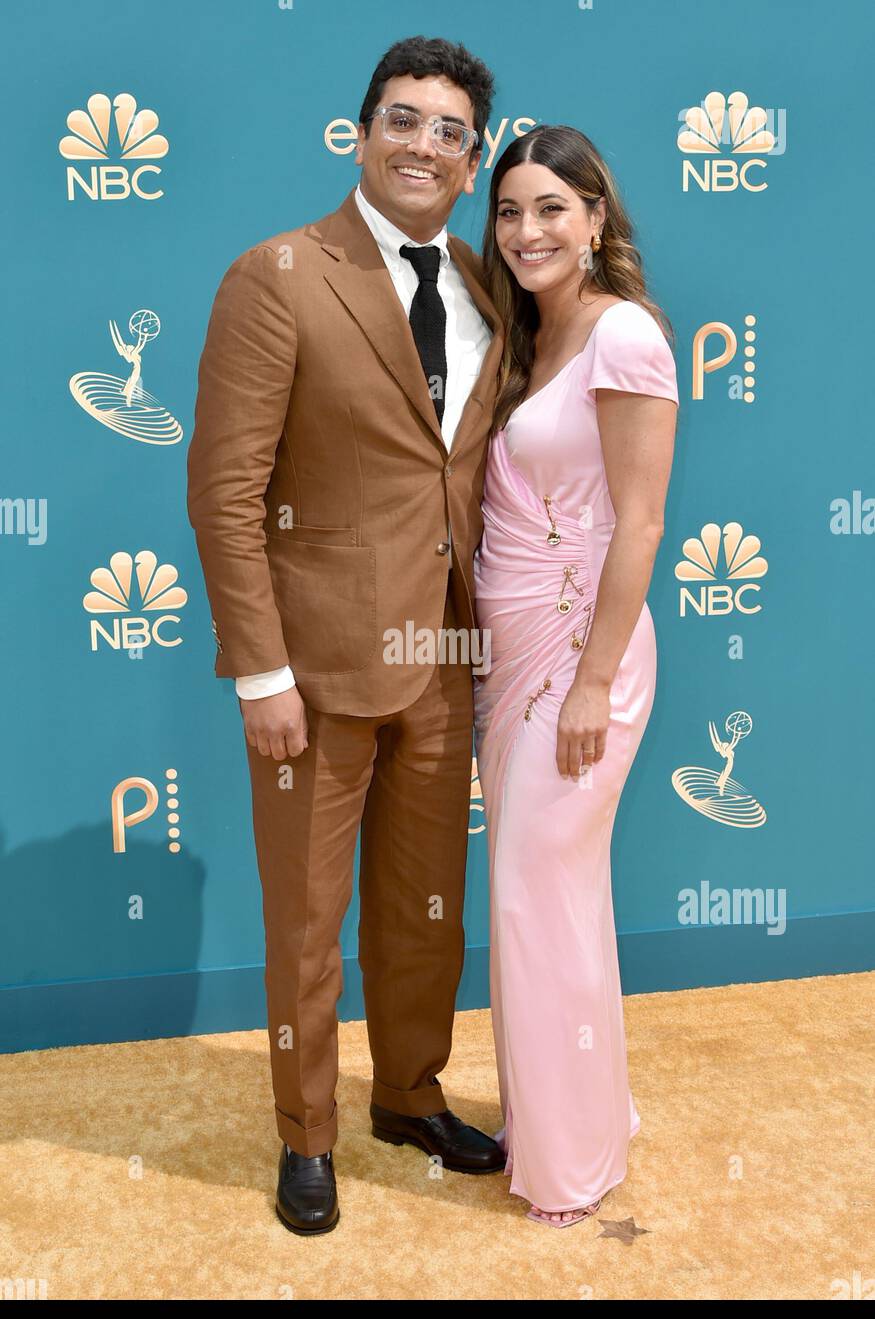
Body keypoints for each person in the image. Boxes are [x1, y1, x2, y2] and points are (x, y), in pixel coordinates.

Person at [186, 36, 507, 1236]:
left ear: (471, 162)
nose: (423, 143)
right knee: (308, 921)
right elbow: (226, 490)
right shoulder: (277, 273)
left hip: (444, 661)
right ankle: (305, 1133)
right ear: (360, 131)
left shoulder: (483, 284)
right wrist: (259, 669)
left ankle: (409, 1094)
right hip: (312, 670)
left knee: (428, 904)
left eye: (448, 131)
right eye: (402, 119)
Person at [473, 125, 679, 1227]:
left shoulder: (625, 335)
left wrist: (595, 681)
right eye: (508, 211)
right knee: (540, 899)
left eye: (551, 207)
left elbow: (639, 522)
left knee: (534, 886)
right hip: (504, 661)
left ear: (597, 218)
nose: (526, 231)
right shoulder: (526, 336)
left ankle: (571, 1160)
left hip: (583, 656)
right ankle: (565, 1117)